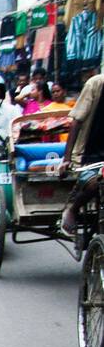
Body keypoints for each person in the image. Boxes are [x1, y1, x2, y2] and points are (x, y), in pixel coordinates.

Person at [58, 71, 104, 234]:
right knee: (94, 184)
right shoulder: (95, 84)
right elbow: (76, 121)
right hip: (87, 155)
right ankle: (72, 209)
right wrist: (66, 158)